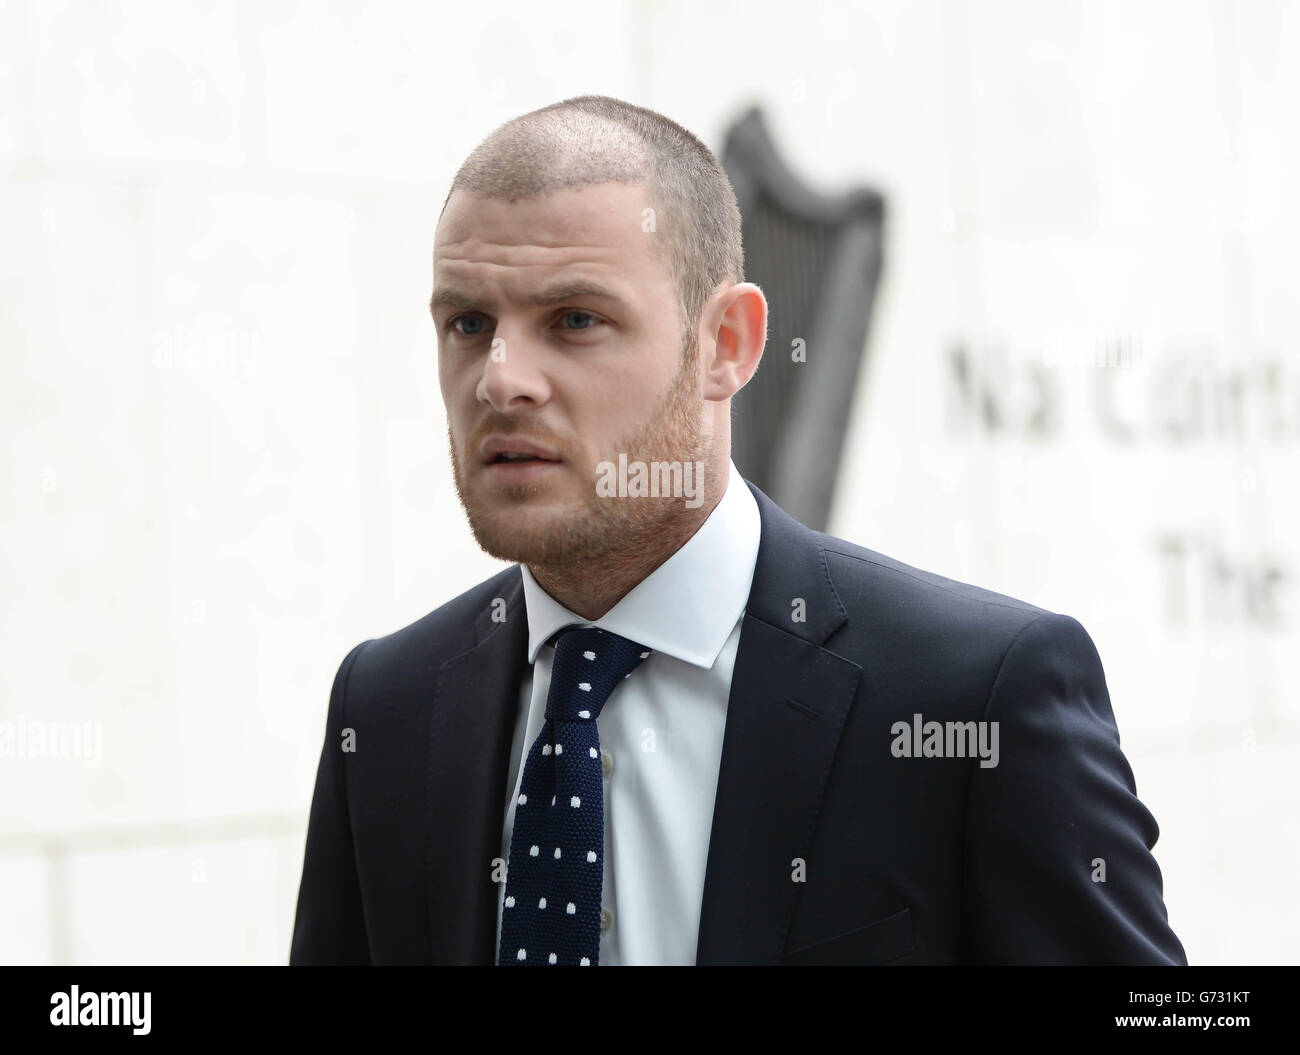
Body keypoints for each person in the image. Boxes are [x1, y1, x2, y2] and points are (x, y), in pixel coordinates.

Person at [289, 94, 1185, 966]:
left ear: (729, 343)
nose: (501, 379)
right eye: (469, 322)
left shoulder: (974, 694)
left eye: (575, 320)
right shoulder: (386, 707)